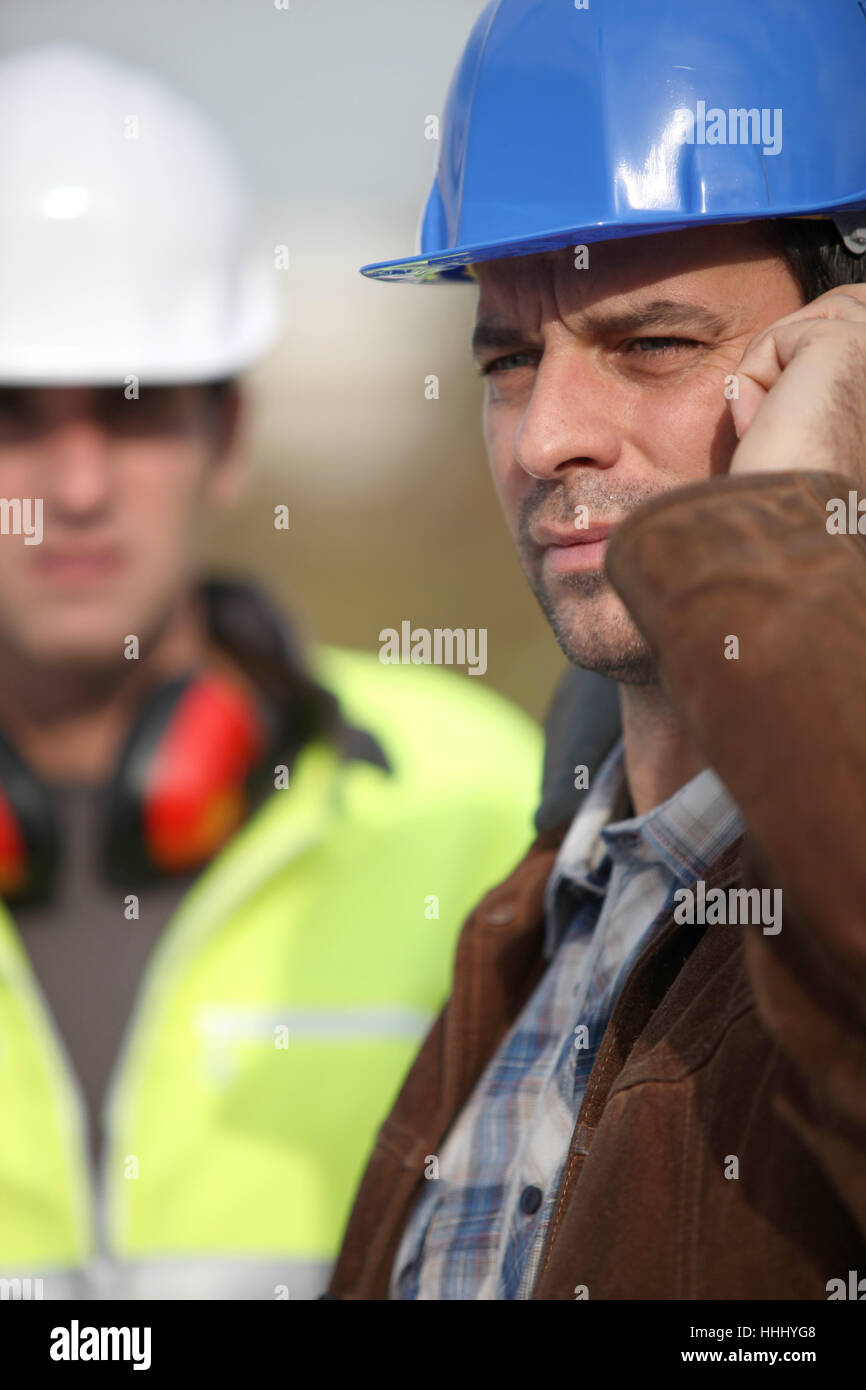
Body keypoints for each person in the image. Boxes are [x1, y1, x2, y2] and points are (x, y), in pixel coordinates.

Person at [328, 0, 866, 1300]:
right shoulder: (532, 920)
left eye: (654, 345)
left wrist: (799, 533)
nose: (540, 438)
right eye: (509, 360)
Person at [0, 43, 542, 1300]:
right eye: (14, 416)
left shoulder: (477, 801)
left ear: (227, 433)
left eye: (133, 410)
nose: (76, 488)